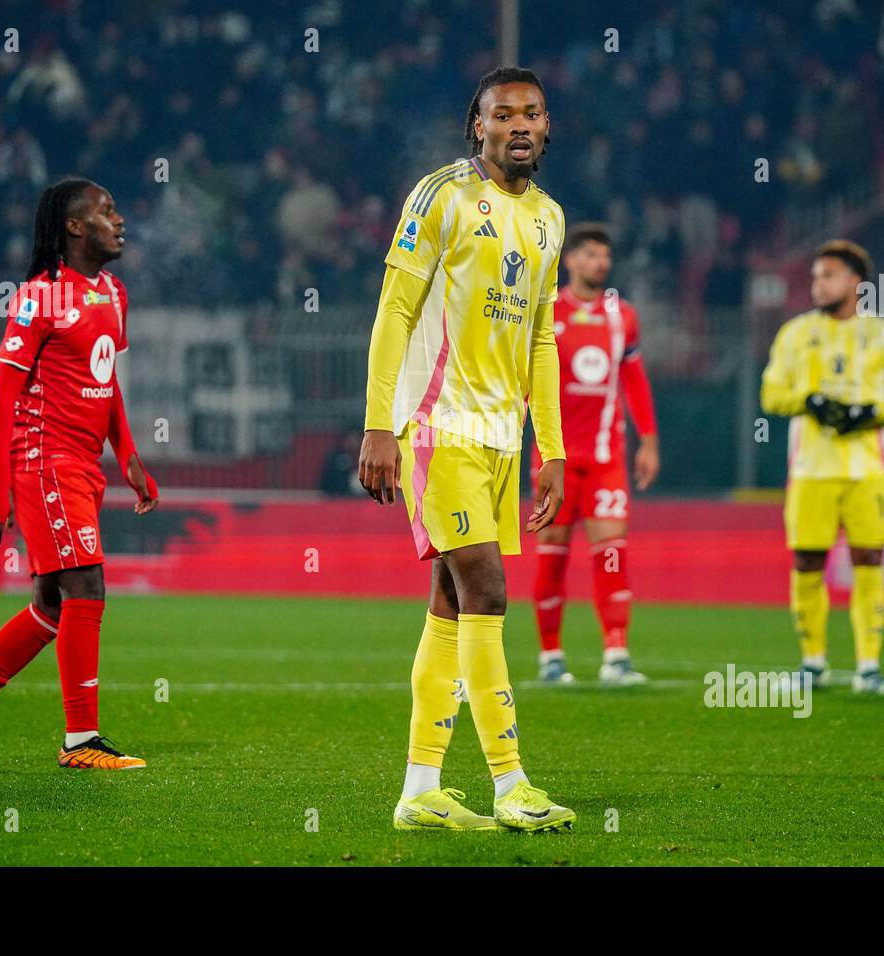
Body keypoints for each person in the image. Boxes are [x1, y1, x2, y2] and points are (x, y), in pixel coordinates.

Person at [359, 67, 575, 831]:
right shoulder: (442, 195)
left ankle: (419, 791)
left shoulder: (550, 218)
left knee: (451, 604)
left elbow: (543, 338)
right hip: (436, 428)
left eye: (533, 113)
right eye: (502, 114)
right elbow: (395, 308)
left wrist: (551, 448)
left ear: (548, 128)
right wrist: (378, 424)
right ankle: (511, 784)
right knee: (488, 590)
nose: (519, 125)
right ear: (475, 126)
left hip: (499, 438)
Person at [0, 179, 158, 770]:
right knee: (88, 586)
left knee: (51, 602)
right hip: (44, 460)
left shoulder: (113, 294)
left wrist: (128, 454)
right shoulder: (41, 297)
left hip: (84, 465)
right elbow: (1, 399)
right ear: (74, 227)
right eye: (107, 211)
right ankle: (82, 741)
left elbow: (106, 384)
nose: (119, 220)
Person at [760, 240, 884, 695]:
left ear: (855, 281)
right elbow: (771, 395)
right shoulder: (795, 333)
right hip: (811, 469)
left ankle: (868, 668)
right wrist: (809, 401)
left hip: (869, 470)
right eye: (815, 277)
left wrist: (870, 413)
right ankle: (813, 662)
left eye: (827, 276)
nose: (818, 284)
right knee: (808, 561)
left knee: (869, 562)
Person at [529, 225, 659, 684]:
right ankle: (551, 656)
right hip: (554, 460)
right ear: (570, 261)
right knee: (553, 556)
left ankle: (616, 655)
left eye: (604, 255)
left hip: (606, 461)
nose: (599, 262)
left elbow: (635, 379)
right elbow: (527, 381)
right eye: (589, 254)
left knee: (611, 554)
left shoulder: (623, 316)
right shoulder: (547, 312)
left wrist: (649, 439)